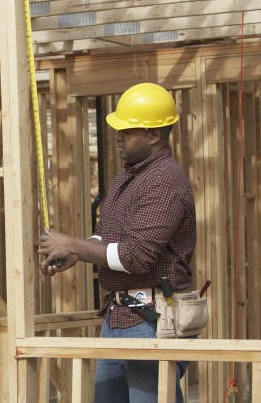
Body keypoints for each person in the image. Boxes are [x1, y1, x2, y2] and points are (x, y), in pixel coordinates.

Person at [38, 82, 196, 403]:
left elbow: (136, 256)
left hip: (152, 321)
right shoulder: (127, 176)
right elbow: (105, 234)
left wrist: (73, 244)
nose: (118, 138)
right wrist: (78, 251)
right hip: (119, 317)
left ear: (153, 136)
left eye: (126, 132)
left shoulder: (165, 181)